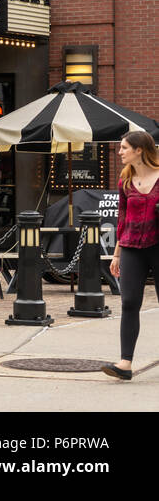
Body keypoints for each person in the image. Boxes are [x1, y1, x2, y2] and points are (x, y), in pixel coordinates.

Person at [103, 130, 159, 380]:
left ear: (139, 150)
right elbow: (122, 219)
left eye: (124, 148)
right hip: (131, 249)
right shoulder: (125, 181)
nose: (120, 152)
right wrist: (116, 254)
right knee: (129, 302)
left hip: (157, 247)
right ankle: (125, 363)